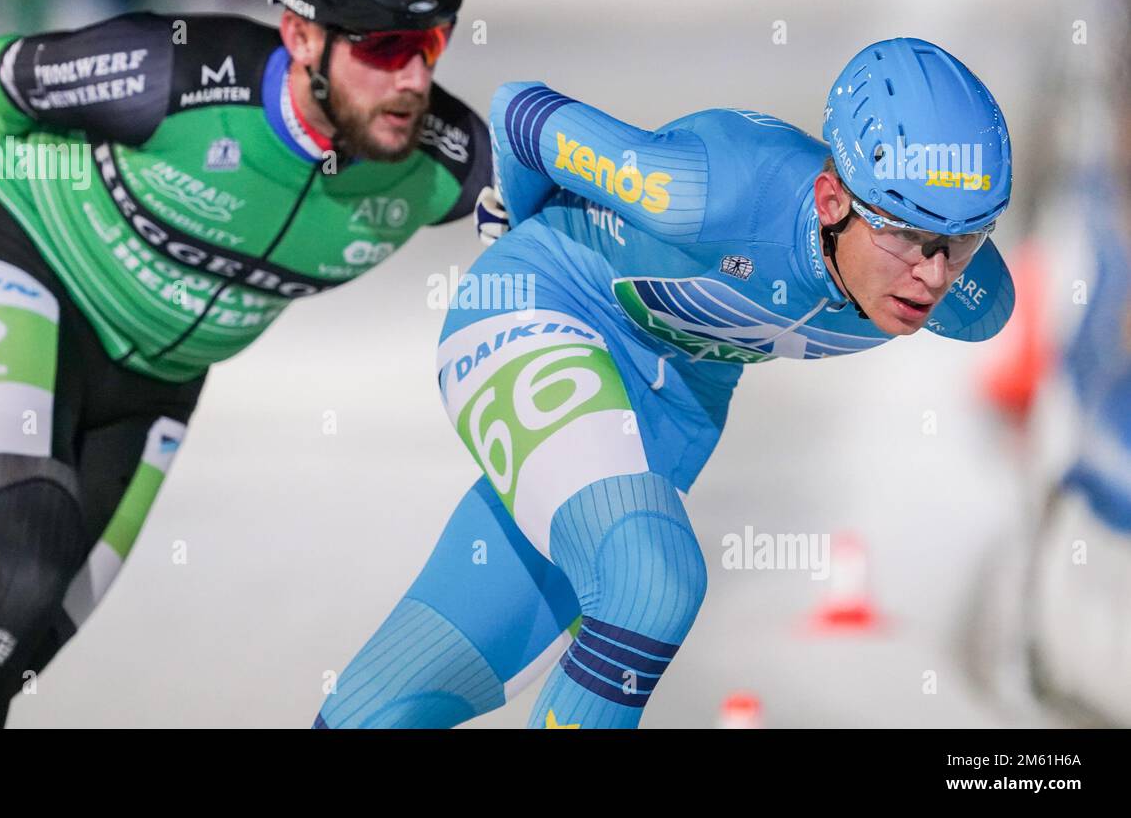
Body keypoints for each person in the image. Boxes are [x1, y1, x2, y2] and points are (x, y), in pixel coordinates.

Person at [0, 0, 489, 728]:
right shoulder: (175, 72)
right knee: (20, 568)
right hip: (20, 269)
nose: (415, 77)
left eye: (432, 40)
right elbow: (4, 79)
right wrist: (85, 217)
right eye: (387, 44)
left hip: (154, 383)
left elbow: (588, 188)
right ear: (299, 34)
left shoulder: (438, 158)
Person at [316, 36, 1016, 729]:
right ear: (831, 199)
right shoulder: (708, 191)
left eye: (962, 241)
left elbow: (964, 274)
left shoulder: (970, 300)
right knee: (649, 582)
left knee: (386, 707)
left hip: (661, 417)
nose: (932, 274)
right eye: (900, 232)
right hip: (545, 312)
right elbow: (521, 112)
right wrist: (517, 227)